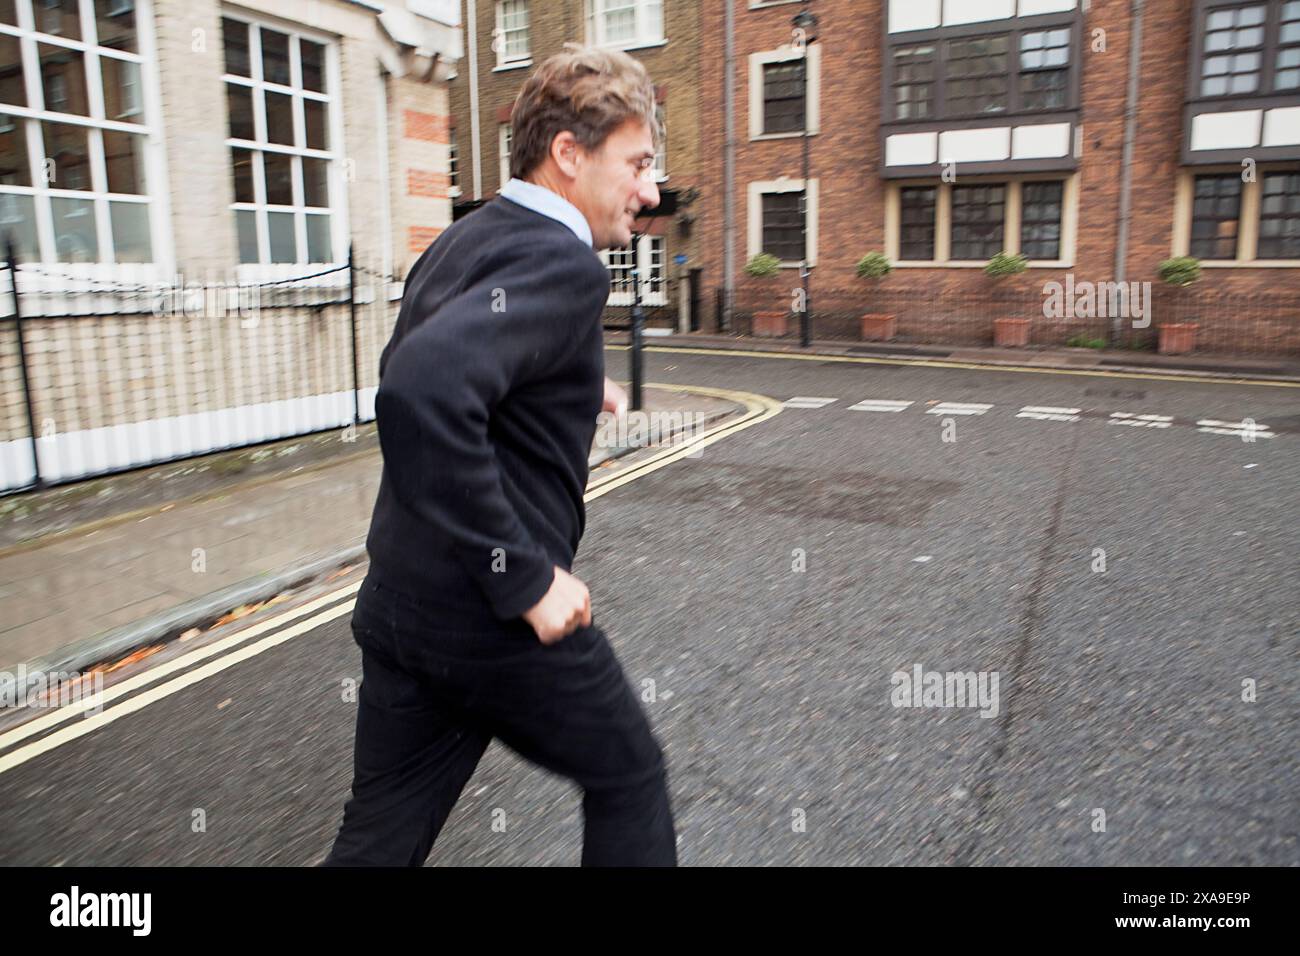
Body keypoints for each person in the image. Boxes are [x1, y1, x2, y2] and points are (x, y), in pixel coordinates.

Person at [322, 45, 676, 867]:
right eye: (637, 163)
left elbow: (435, 365)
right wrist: (523, 576)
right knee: (630, 778)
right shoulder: (562, 261)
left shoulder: (466, 236)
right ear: (568, 155)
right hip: (493, 625)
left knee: (379, 840)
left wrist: (564, 387)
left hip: (403, 608)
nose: (649, 192)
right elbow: (419, 390)